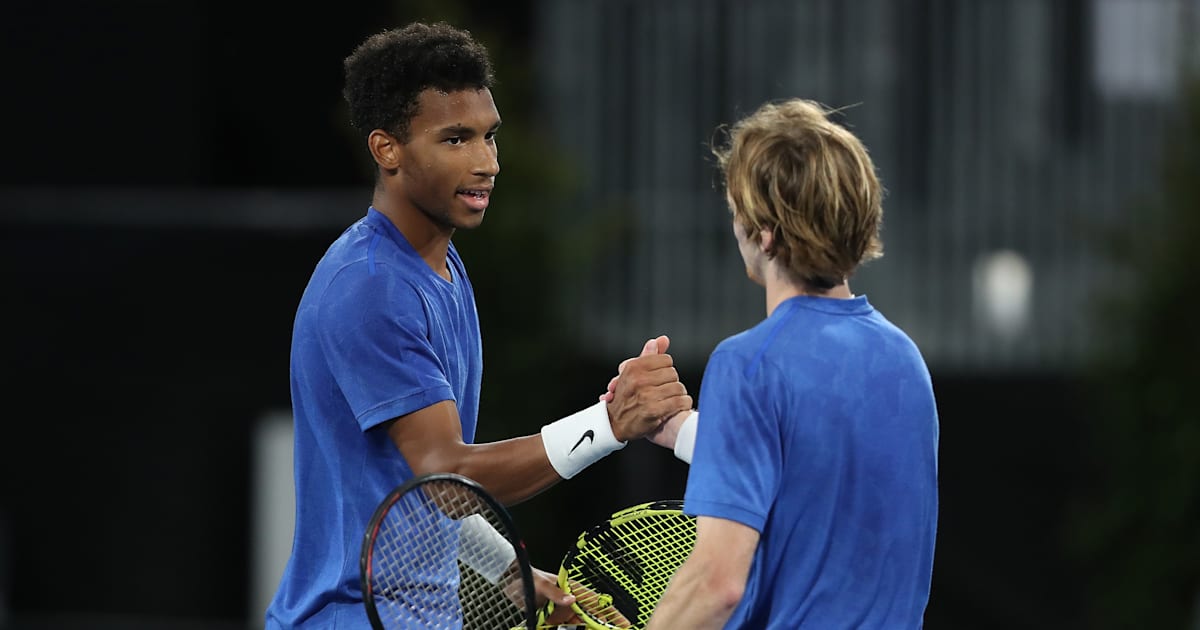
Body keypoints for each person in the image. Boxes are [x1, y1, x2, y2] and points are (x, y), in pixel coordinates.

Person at [264, 22, 692, 629]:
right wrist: (610, 422)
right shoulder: (370, 289)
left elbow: (413, 484)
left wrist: (514, 574)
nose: (486, 161)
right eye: (455, 139)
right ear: (387, 149)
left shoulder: (440, 266)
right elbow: (448, 474)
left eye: (489, 137)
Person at [643, 99, 940, 629]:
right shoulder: (905, 361)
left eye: (738, 207)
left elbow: (718, 584)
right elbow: (817, 478)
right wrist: (685, 430)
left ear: (765, 233)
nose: (733, 221)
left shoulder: (747, 364)